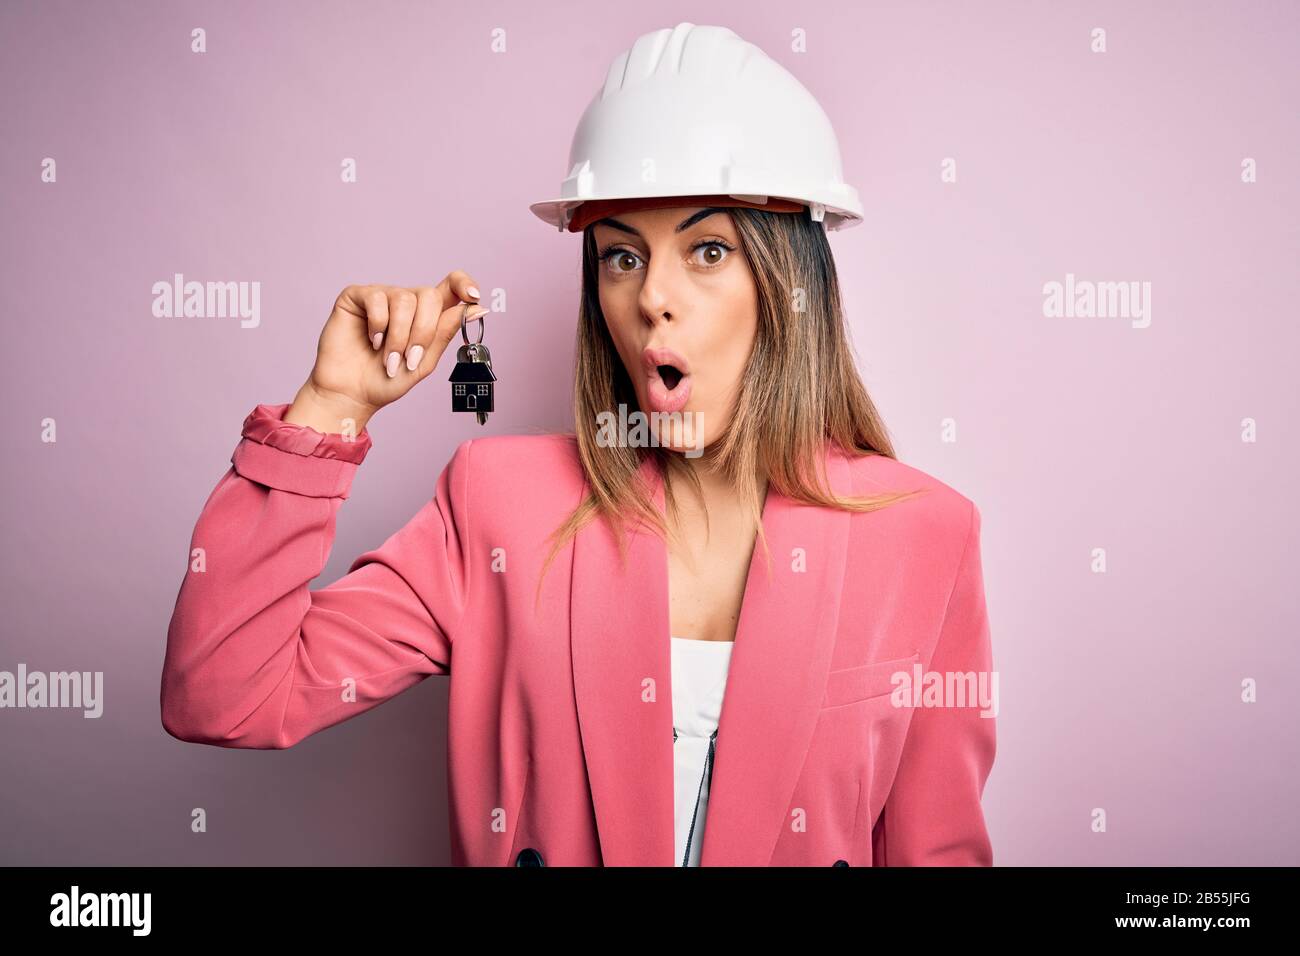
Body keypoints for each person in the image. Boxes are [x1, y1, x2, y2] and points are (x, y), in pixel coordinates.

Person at [160, 22, 996, 867]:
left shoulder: (927, 535)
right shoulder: (499, 506)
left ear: (791, 286)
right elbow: (227, 697)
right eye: (621, 256)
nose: (652, 298)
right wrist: (331, 407)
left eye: (708, 250)